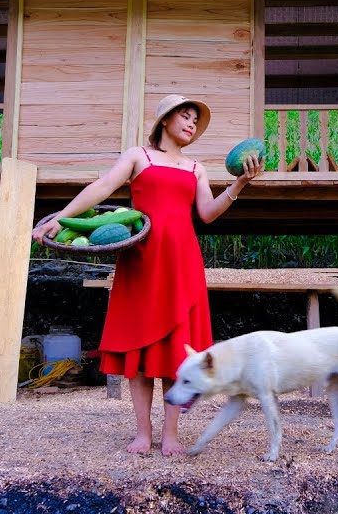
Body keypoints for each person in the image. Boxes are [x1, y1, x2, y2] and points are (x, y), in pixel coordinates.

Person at [32, 94, 263, 456]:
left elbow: (206, 213)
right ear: (165, 120)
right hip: (141, 260)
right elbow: (101, 188)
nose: (191, 124)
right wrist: (61, 218)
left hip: (182, 262)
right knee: (138, 347)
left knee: (176, 351)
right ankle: (143, 433)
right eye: (185, 116)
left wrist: (239, 184)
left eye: (195, 120)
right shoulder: (138, 155)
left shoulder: (196, 168)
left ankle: (171, 434)